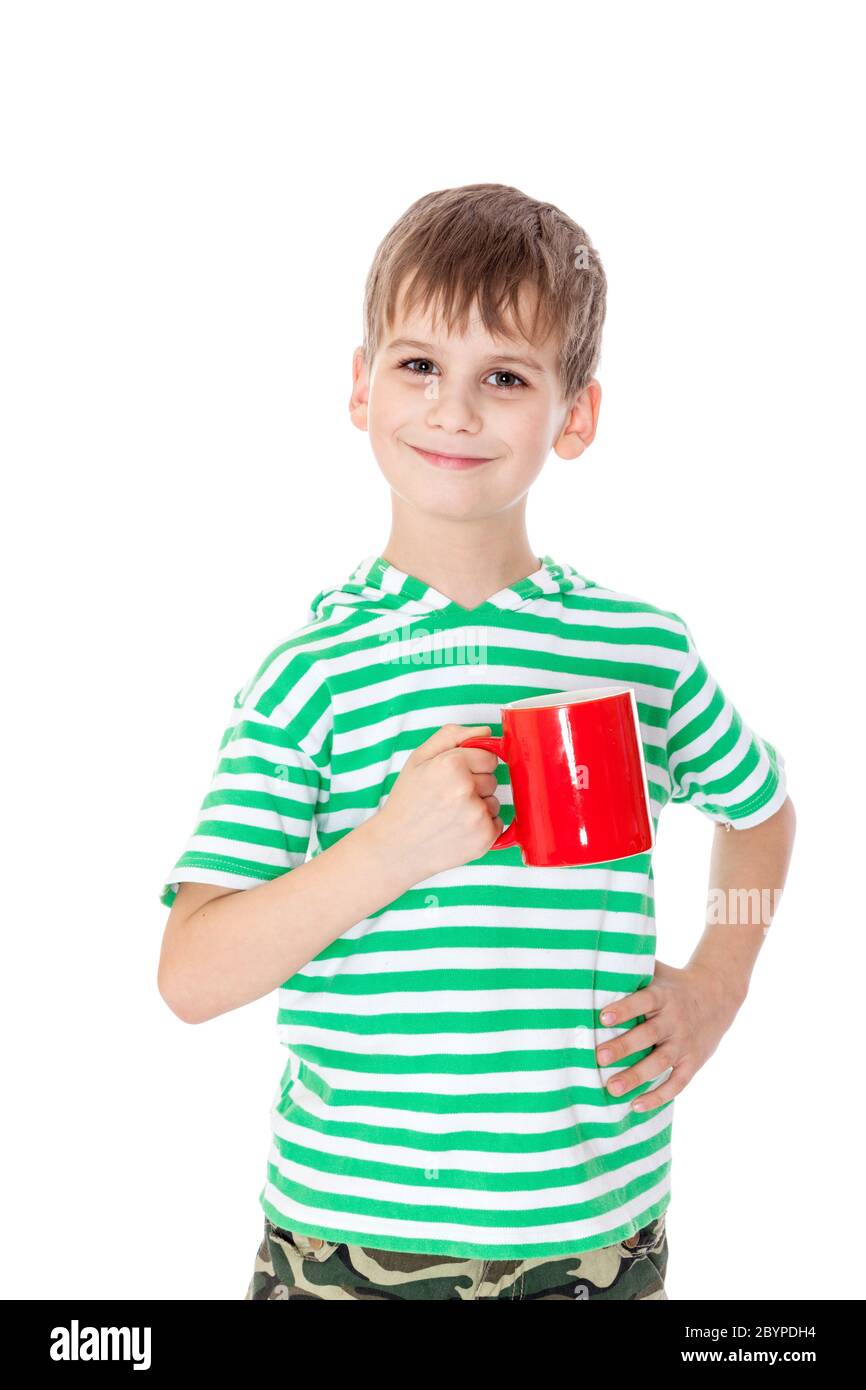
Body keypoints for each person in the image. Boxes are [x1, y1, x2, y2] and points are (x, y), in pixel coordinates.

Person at [157, 183, 796, 1301]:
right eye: (417, 366)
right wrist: (385, 849)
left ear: (574, 415)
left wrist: (718, 980)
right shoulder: (310, 673)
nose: (453, 411)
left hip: (591, 1239)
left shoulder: (635, 650)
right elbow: (193, 975)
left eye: (503, 377)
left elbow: (758, 813)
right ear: (360, 388)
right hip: (345, 1240)